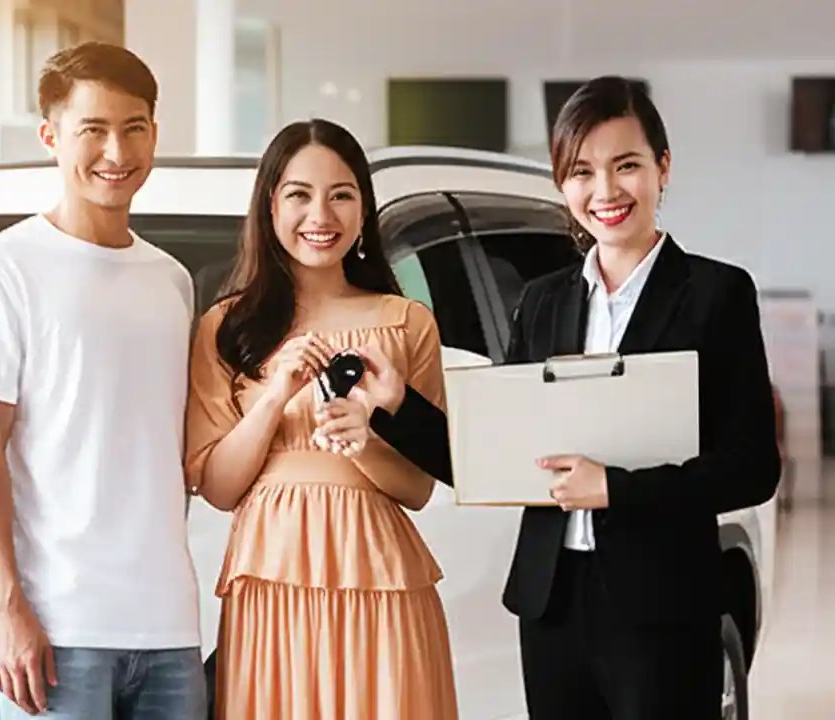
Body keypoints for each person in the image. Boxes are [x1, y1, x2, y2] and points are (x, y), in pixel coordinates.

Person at [501, 76, 781, 720]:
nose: (604, 192)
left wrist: (617, 489)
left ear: (663, 167)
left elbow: (752, 468)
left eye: (625, 165)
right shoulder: (541, 302)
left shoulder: (717, 295)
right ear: (562, 184)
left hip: (661, 606)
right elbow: (495, 444)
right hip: (551, 604)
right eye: (581, 172)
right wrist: (390, 408)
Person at [0, 42, 204, 719]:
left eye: (134, 128)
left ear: (154, 132)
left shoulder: (171, 281)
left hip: (170, 627)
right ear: (51, 137)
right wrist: (6, 611)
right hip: (59, 632)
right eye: (94, 130)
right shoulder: (3, 269)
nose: (117, 152)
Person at [184, 118, 459, 719]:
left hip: (381, 586)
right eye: (299, 195)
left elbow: (418, 488)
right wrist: (278, 390)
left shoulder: (406, 322)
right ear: (270, 206)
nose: (321, 215)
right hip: (271, 588)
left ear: (364, 208)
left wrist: (361, 438)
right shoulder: (225, 329)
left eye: (341, 195)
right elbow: (219, 486)